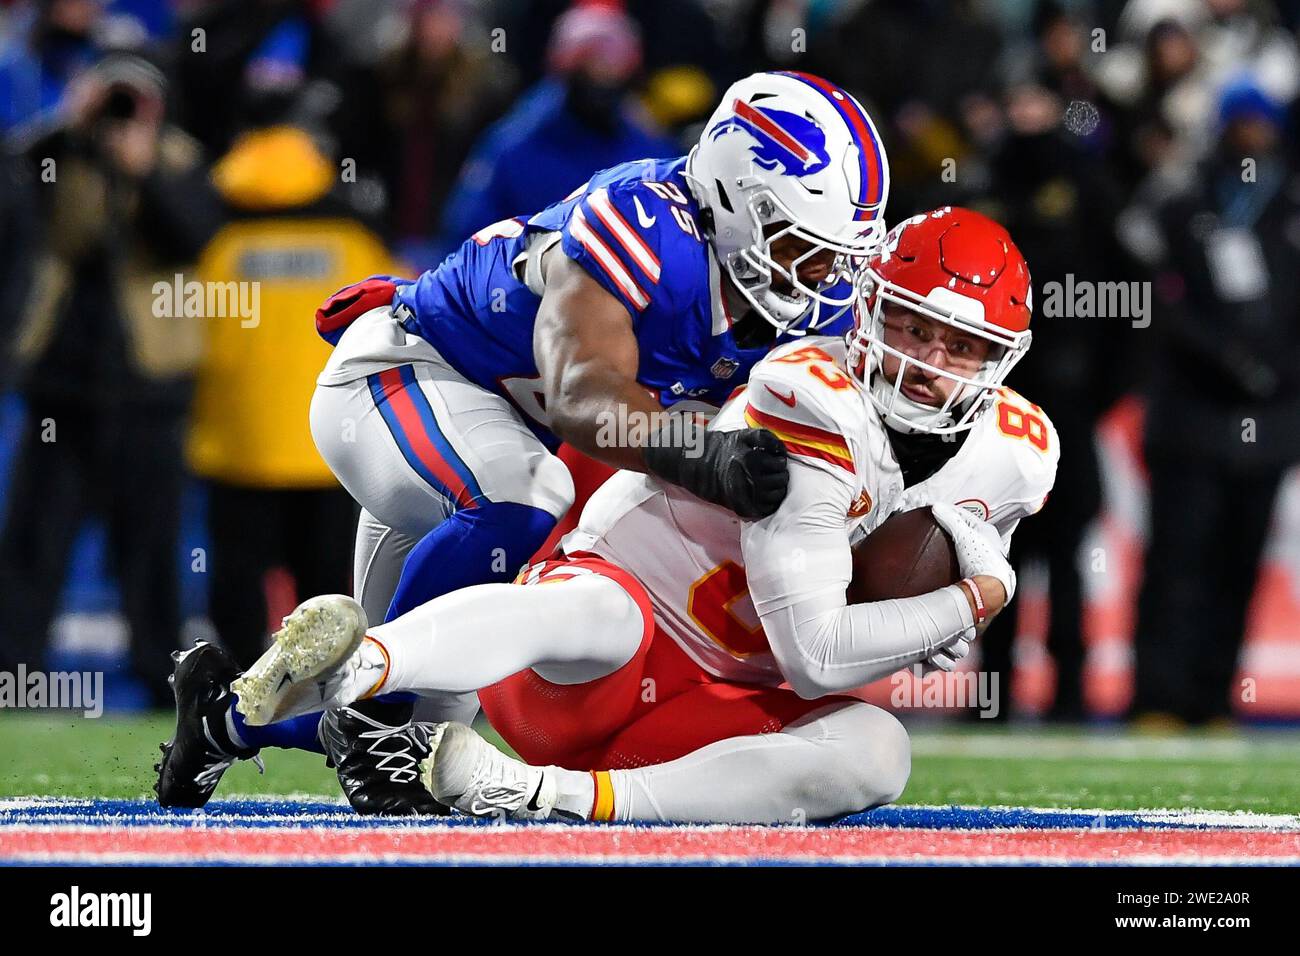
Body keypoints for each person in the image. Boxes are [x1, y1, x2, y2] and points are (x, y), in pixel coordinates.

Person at [155, 70, 891, 815]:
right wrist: (703, 451)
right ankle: (365, 712)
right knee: (526, 500)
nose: (824, 276)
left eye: (836, 256)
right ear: (734, 197)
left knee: (430, 714)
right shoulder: (643, 220)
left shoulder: (788, 297)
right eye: (804, 247)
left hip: (483, 444)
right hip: (405, 377)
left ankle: (222, 721)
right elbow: (583, 399)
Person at [223, 208, 1057, 823]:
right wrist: (968, 601)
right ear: (868, 308)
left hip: (717, 705)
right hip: (588, 666)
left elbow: (899, 605)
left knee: (881, 752)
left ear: (1002, 363)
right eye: (911, 327)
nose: (925, 363)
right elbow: (819, 655)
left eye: (959, 347)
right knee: (599, 612)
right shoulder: (809, 392)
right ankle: (361, 666)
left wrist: (933, 609)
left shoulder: (1022, 452)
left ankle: (543, 797)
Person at [1130, 79, 1300, 725]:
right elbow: (1157, 301)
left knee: (1239, 563)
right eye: (1243, 122)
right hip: (1192, 414)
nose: (1253, 135)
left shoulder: (1288, 208)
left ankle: (1211, 696)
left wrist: (1273, 370)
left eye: (1263, 123)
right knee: (1176, 559)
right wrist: (1226, 359)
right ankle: (1157, 697)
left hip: (1272, 416)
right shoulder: (1184, 201)